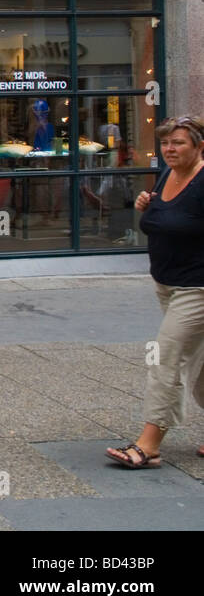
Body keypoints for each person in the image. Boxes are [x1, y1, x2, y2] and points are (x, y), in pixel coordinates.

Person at [105, 115, 204, 470]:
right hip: (167, 284)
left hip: (198, 288)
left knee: (166, 356)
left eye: (178, 143)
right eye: (165, 143)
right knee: (201, 364)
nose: (169, 149)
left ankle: (149, 445)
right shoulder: (167, 175)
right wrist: (146, 207)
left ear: (199, 145)